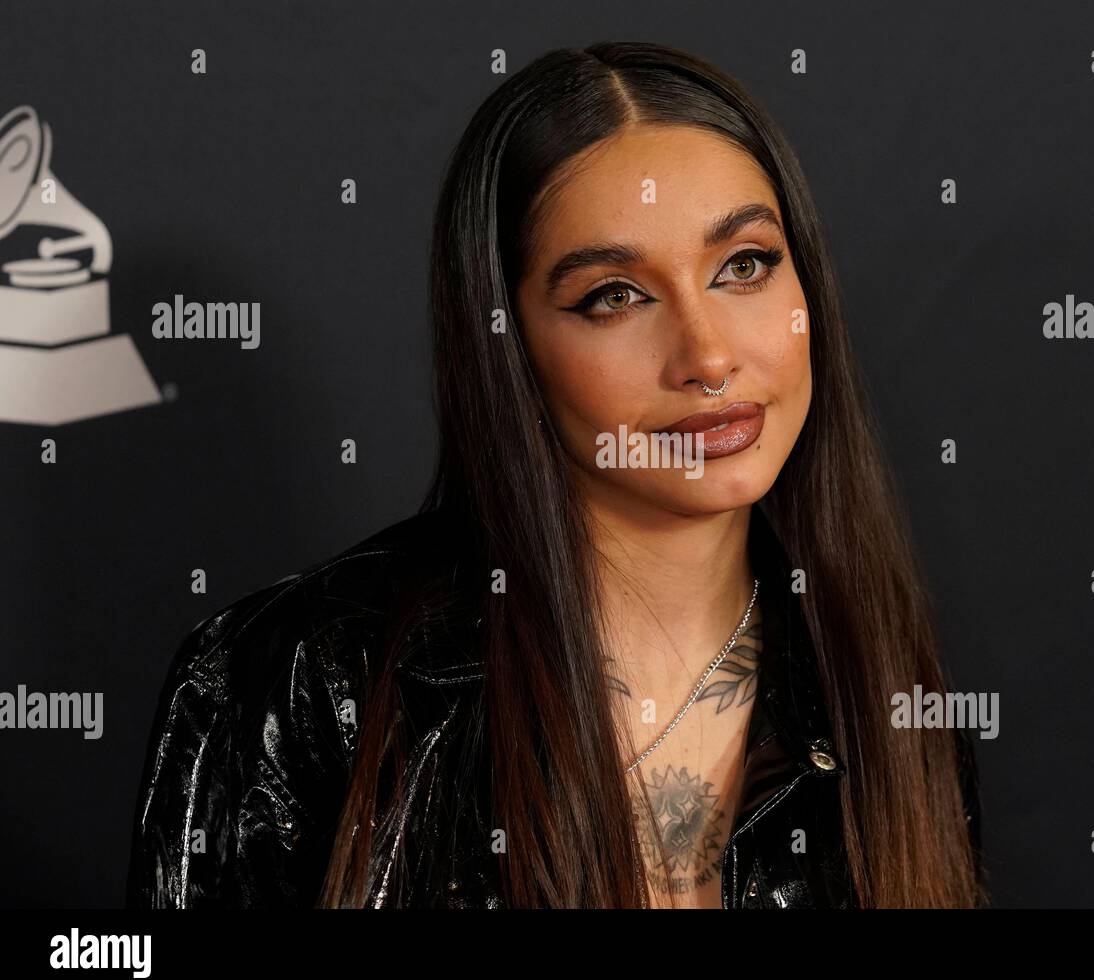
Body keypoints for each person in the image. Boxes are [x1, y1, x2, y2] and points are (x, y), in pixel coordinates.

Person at [126, 40, 986, 909]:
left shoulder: (883, 691)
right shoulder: (293, 687)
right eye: (616, 295)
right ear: (509, 348)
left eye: (744, 266)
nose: (709, 355)